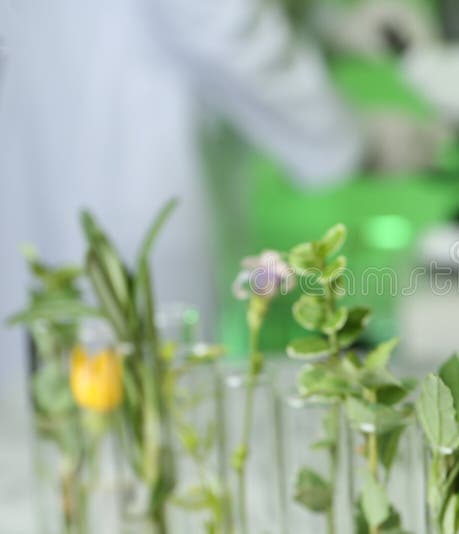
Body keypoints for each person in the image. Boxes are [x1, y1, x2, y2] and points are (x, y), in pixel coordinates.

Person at [0, 0, 364, 370]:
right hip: (133, 168)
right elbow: (224, 25)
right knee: (140, 392)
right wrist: (349, 140)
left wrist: (324, 24)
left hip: (62, 139)